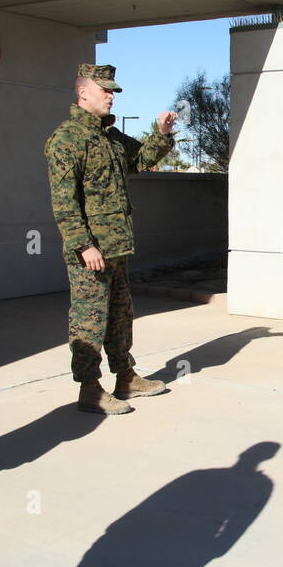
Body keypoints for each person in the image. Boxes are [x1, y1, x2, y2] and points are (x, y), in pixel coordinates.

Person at [45, 65, 175, 414]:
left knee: (120, 314)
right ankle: (90, 389)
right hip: (91, 250)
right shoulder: (66, 139)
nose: (111, 95)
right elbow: (64, 202)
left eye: (113, 90)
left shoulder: (112, 138)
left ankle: (126, 378)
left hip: (117, 246)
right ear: (82, 91)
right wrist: (83, 244)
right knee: (89, 318)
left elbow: (142, 159)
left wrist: (162, 133)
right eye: (104, 89)